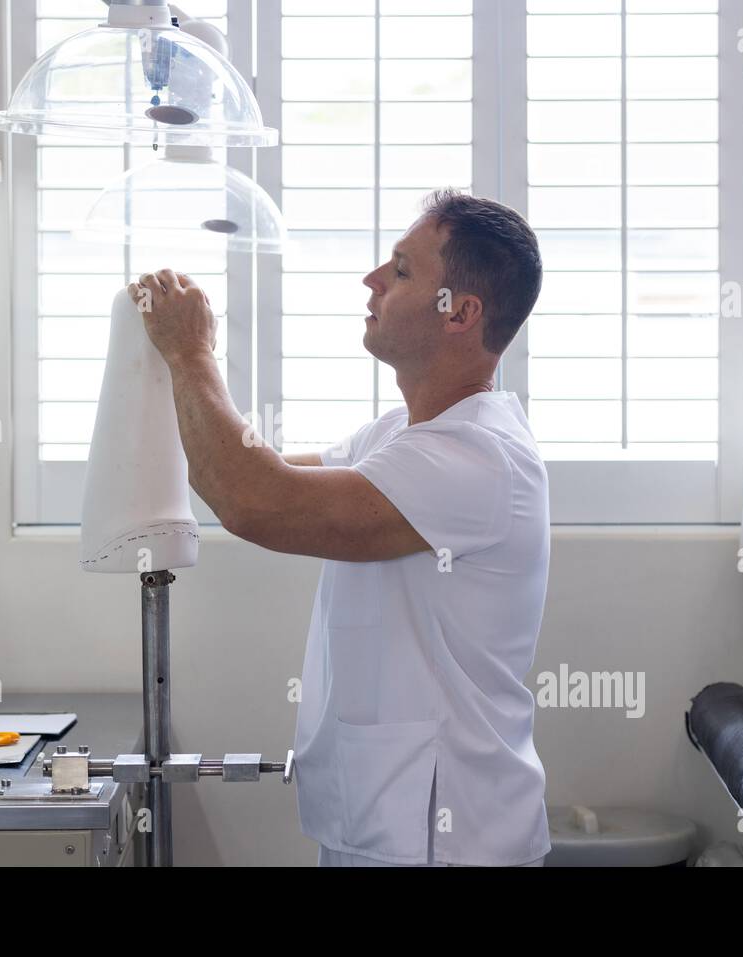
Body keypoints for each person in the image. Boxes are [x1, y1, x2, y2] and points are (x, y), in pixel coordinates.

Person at [128, 188, 550, 867]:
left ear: (461, 312)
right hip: (385, 822)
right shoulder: (399, 435)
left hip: (446, 838)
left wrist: (190, 352)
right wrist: (165, 369)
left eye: (401, 270)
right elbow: (239, 469)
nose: (372, 279)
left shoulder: (476, 457)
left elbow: (253, 500)